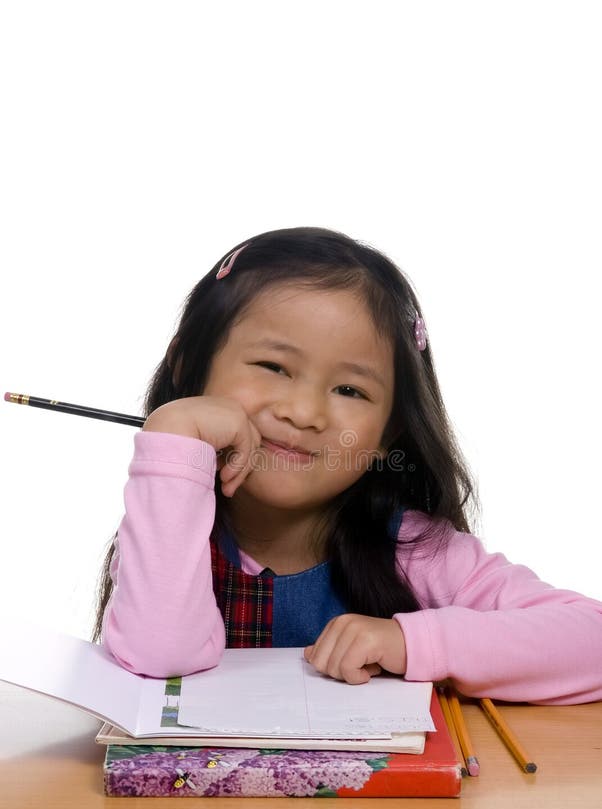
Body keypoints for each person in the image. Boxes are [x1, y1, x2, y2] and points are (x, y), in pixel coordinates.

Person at [93, 226, 602, 704]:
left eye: (350, 390)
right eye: (273, 366)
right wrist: (174, 437)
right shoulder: (172, 524)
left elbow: (591, 637)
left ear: (388, 434)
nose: (304, 413)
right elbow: (160, 657)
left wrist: (412, 641)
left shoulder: (415, 551)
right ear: (188, 366)